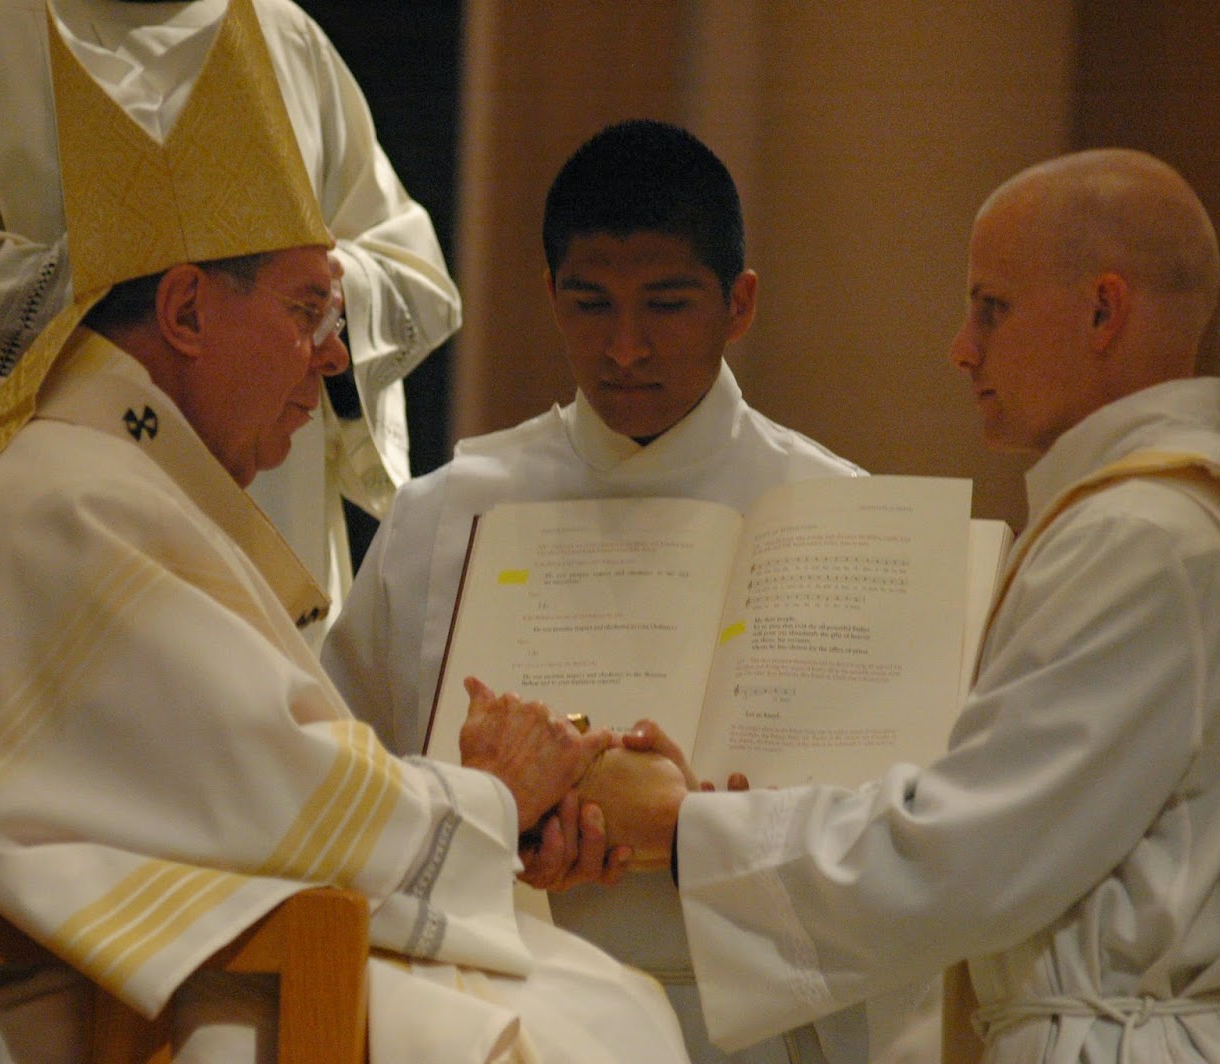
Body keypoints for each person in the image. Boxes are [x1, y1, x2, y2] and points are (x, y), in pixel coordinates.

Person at [0, 6, 686, 1060]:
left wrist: (493, 816)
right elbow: (277, 792)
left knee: (606, 1005)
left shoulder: (117, 488)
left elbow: (251, 788)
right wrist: (489, 793)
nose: (335, 360)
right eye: (306, 312)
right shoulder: (67, 508)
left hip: (198, 958)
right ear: (187, 311)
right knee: (594, 1023)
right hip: (114, 1002)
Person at [560, 148, 1220, 1062]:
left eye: (990, 307)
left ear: (1102, 311)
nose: (962, 347)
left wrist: (682, 826)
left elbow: (969, 852)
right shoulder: (1165, 512)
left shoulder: (1140, 536)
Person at [320, 120, 928, 1063]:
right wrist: (502, 815)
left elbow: (897, 834)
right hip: (508, 1007)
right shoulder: (442, 517)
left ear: (741, 303)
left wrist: (710, 822)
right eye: (590, 304)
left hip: (760, 1025)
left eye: (668, 305)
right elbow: (347, 780)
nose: (627, 347)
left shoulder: (839, 518)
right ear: (548, 294)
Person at [0, 0, 462, 643]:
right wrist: (183, 307)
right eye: (185, 310)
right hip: (25, 571)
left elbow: (410, 270)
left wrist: (292, 304)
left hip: (261, 534)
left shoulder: (285, 37)